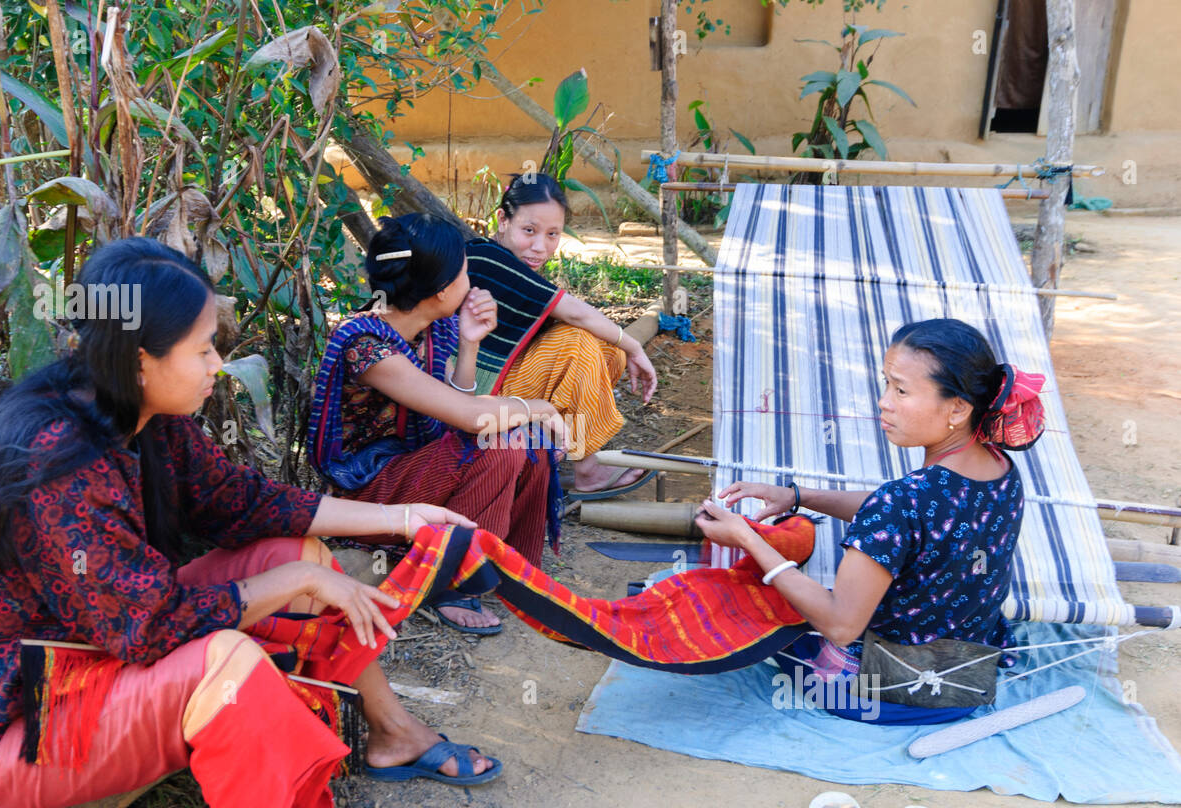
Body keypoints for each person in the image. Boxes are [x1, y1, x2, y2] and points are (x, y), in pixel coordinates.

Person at [0, 237, 500, 808]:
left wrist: (397, 518)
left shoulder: (133, 407)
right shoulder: (57, 462)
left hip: (99, 653)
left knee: (295, 552)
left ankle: (390, 734)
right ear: (140, 359)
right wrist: (295, 580)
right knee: (229, 665)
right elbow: (150, 628)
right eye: (202, 350)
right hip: (24, 725)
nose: (217, 366)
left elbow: (239, 501)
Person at [694, 318, 1042, 721]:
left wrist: (751, 540)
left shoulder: (902, 502)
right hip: (966, 678)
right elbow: (919, 516)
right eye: (886, 384)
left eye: (901, 390)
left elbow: (841, 627)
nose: (884, 401)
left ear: (958, 408)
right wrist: (798, 496)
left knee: (752, 608)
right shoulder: (1001, 470)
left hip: (885, 693)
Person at [309, 213, 566, 634]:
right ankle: (450, 584)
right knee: (502, 439)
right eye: (466, 270)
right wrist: (539, 405)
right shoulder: (365, 344)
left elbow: (454, 407)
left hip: (416, 469)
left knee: (524, 440)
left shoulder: (434, 326)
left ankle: (509, 564)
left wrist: (469, 344)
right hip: (369, 491)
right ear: (443, 289)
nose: (472, 278)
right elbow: (469, 417)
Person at [464, 175, 659, 497]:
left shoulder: (509, 262)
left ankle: (553, 447)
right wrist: (635, 346)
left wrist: (624, 347)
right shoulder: (488, 259)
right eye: (529, 230)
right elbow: (576, 313)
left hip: (500, 390)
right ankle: (587, 468)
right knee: (578, 343)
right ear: (502, 220)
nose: (541, 246)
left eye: (552, 234)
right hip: (469, 400)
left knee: (606, 349)